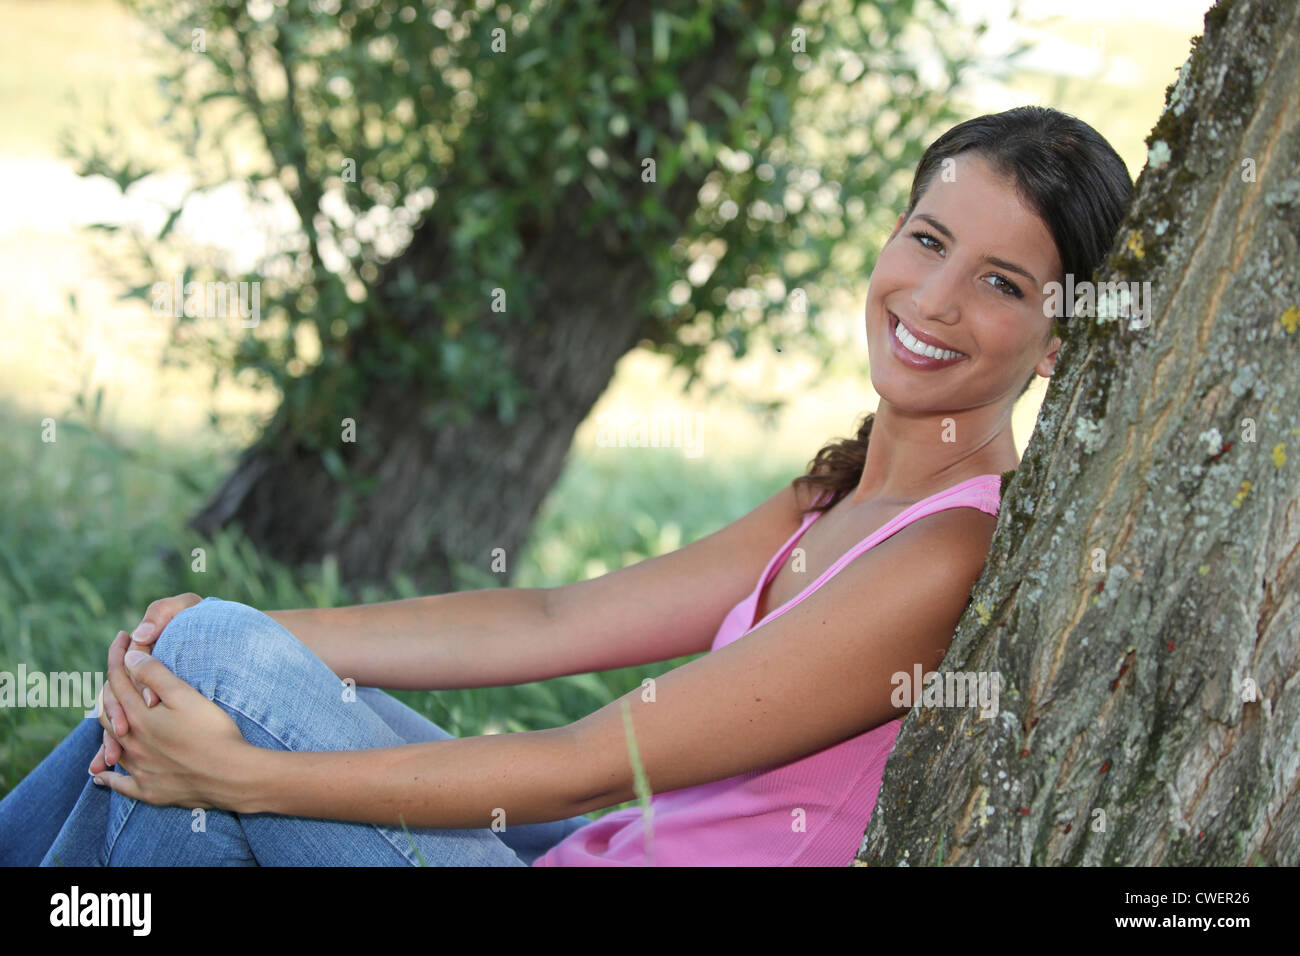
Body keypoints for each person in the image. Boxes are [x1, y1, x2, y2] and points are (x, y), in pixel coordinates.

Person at [0, 105, 1132, 866]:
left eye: (997, 281)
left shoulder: (945, 552)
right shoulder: (834, 501)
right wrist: (258, 633)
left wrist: (247, 771)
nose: (933, 299)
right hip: (576, 847)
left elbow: (594, 753)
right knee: (197, 671)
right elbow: (553, 617)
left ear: (1056, 342)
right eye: (926, 240)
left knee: (205, 695)